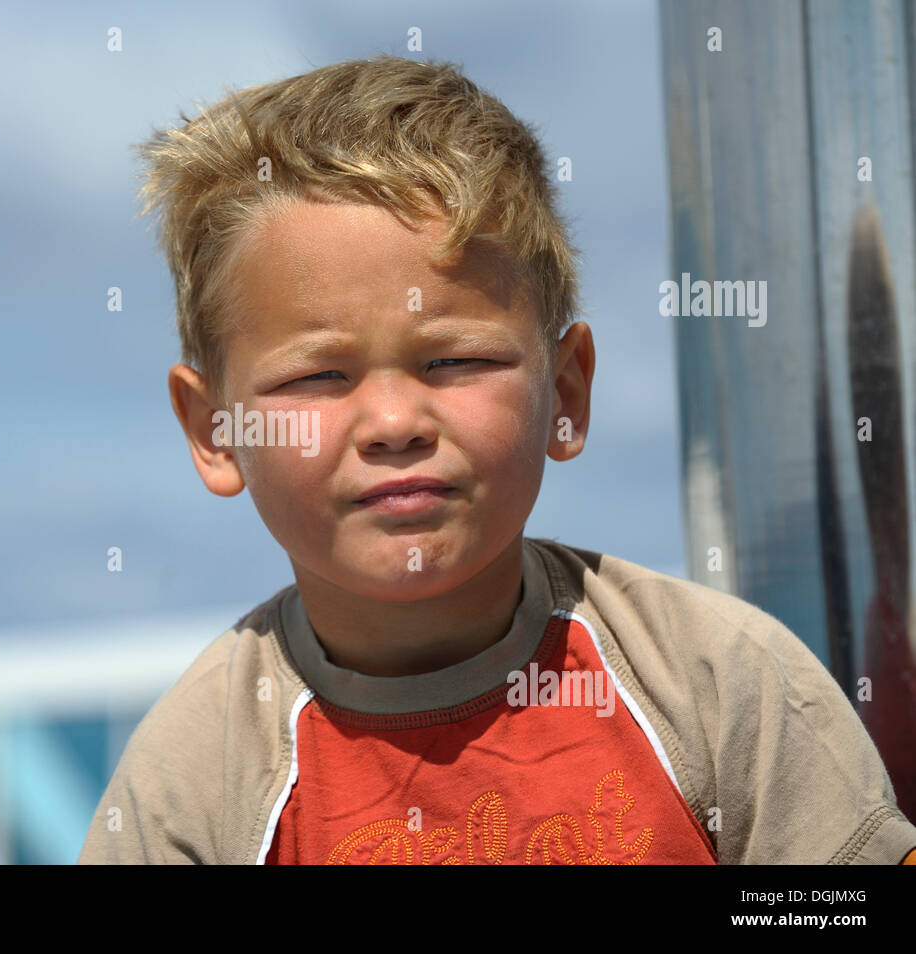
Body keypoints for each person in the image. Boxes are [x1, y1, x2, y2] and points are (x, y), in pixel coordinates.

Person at [77, 55, 916, 864]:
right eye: (317, 376)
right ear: (214, 431)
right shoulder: (192, 783)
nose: (395, 421)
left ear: (567, 392)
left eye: (455, 362)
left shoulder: (715, 683)